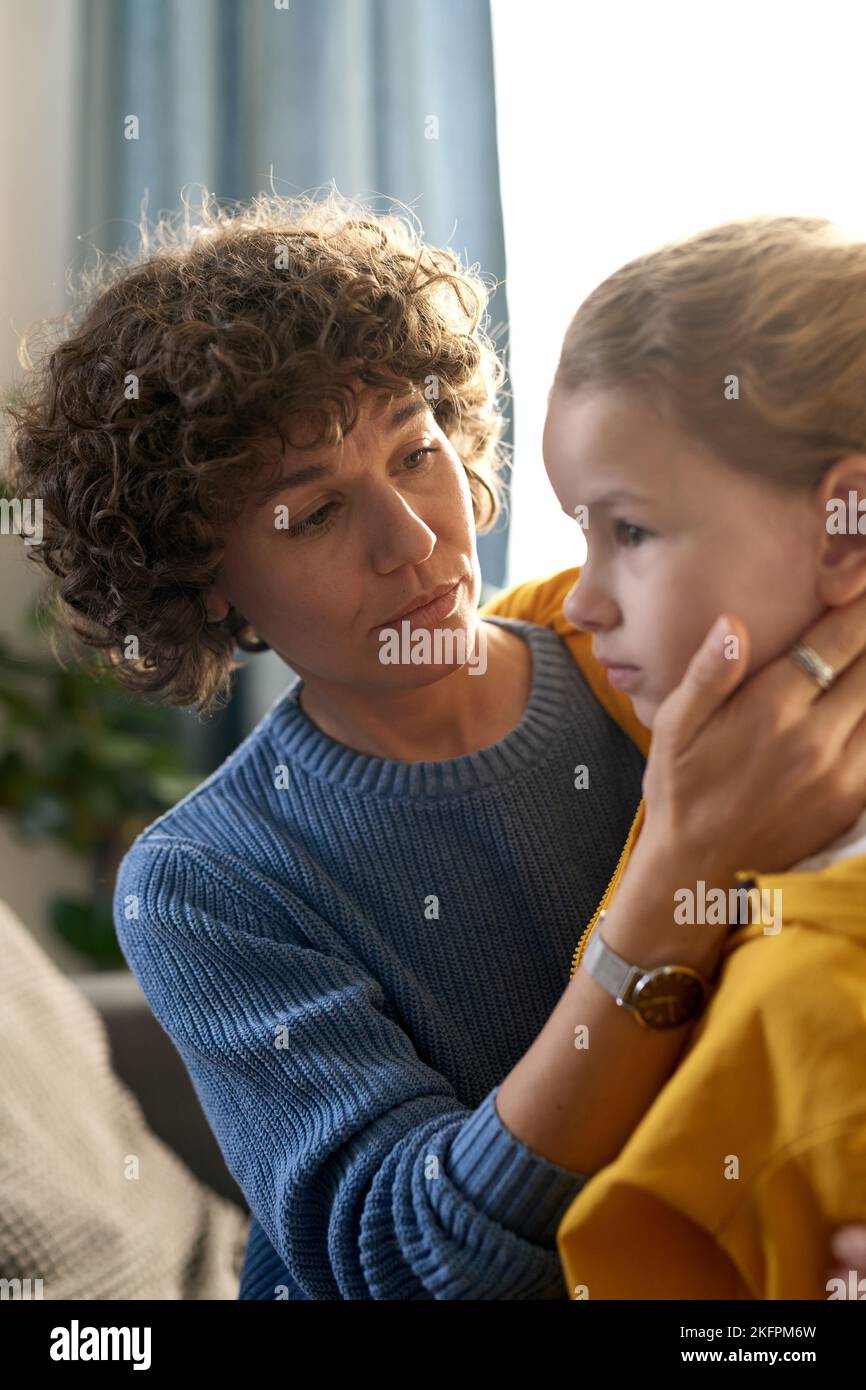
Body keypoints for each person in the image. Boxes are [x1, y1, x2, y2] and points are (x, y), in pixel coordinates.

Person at [5, 190, 866, 1300]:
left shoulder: (648, 660)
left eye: (415, 452)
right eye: (313, 513)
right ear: (203, 581)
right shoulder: (203, 882)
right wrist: (677, 875)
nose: (411, 539)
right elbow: (412, 1268)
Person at [544, 213, 866, 1298]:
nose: (582, 602)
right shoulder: (665, 666)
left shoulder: (812, 1009)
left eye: (627, 532)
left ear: (839, 532)